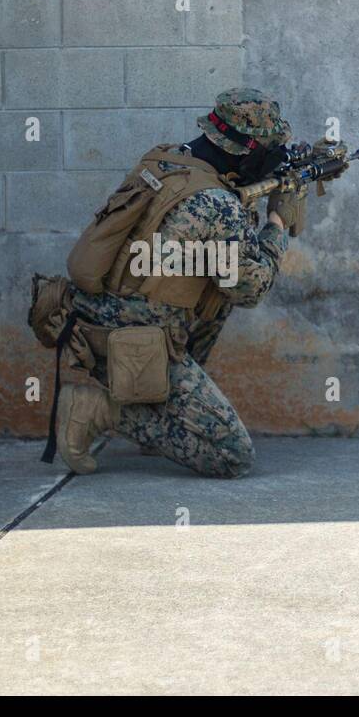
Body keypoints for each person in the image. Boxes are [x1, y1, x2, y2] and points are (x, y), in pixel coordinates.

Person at [40, 88, 309, 478]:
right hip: (131, 342)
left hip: (89, 322)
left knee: (217, 289)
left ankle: (155, 404)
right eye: (267, 153)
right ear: (246, 153)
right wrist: (278, 222)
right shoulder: (218, 205)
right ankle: (104, 408)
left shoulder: (166, 160)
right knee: (232, 457)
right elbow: (253, 288)